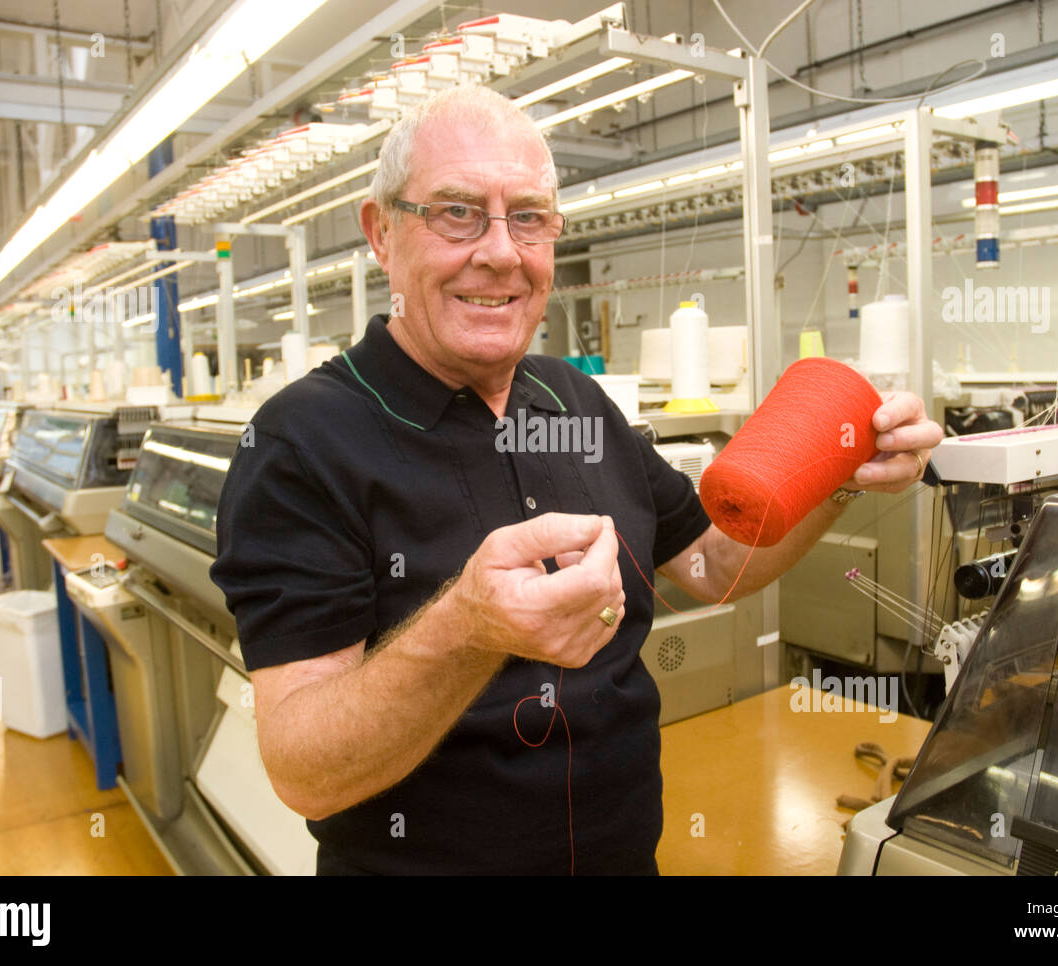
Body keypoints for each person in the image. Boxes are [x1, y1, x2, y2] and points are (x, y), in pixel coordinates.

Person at [210, 85, 943, 875]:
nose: (500, 252)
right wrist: (468, 628)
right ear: (381, 232)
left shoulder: (575, 400)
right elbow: (304, 772)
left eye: (528, 217)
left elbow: (716, 563)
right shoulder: (301, 443)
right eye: (457, 212)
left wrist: (843, 478)